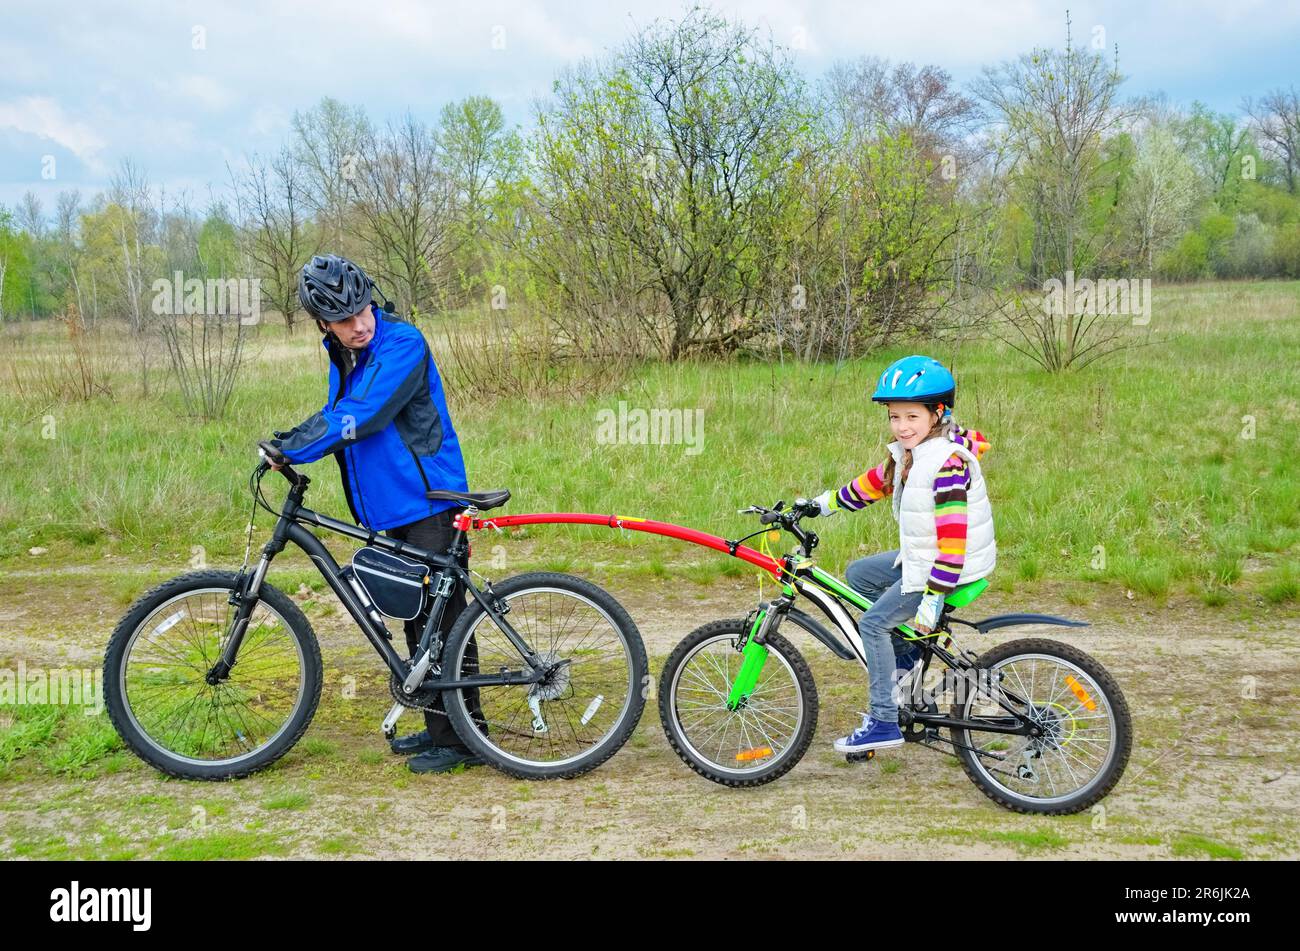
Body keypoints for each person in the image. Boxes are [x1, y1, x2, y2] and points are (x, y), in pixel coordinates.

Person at [266, 253, 484, 774]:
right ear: (322, 324)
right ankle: (442, 726)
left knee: (444, 620)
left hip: (429, 499)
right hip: (389, 505)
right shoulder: (345, 356)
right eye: (343, 320)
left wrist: (290, 445)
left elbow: (359, 417)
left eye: (362, 310)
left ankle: (463, 740)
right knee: (414, 615)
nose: (358, 324)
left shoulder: (403, 343)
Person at [802, 355, 996, 753]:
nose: (902, 426)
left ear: (937, 413)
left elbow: (953, 544)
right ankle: (905, 667)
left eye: (911, 416)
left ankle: (883, 722)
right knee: (859, 574)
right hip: (929, 560)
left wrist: (931, 598)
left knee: (873, 625)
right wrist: (818, 506)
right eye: (894, 417)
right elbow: (871, 484)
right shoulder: (913, 453)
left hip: (946, 568)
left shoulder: (945, 465)